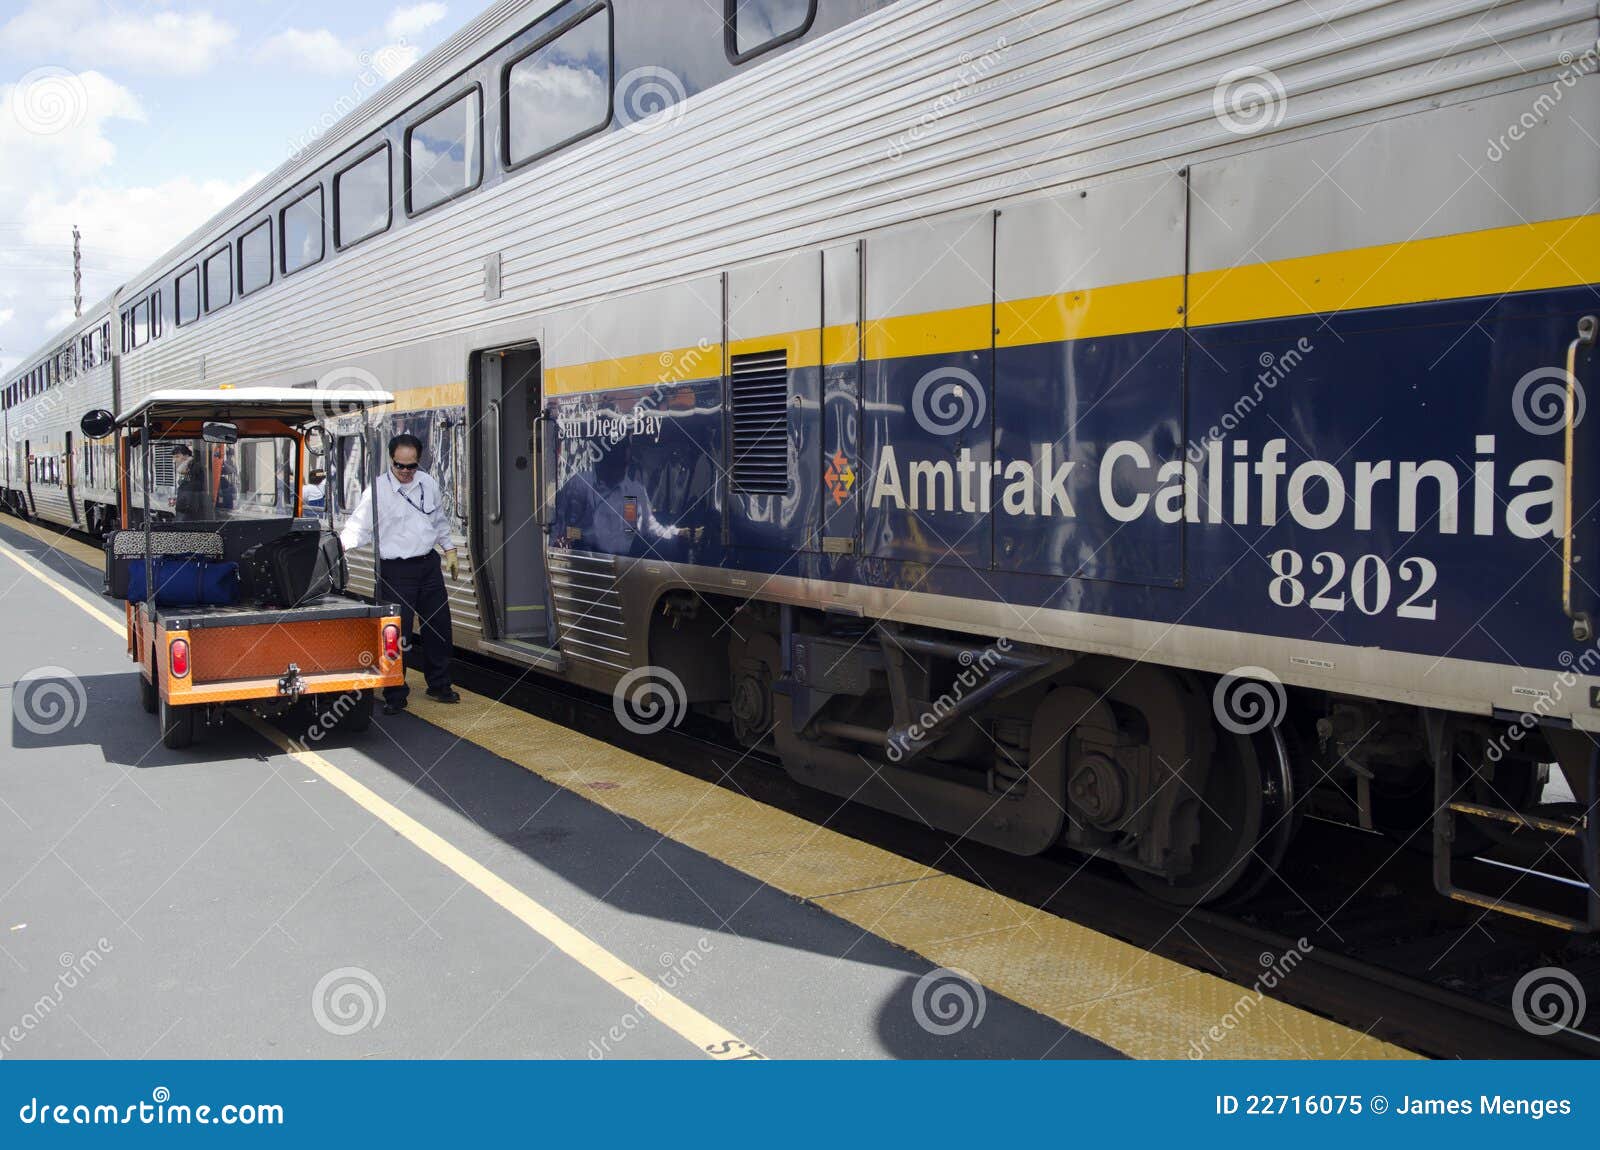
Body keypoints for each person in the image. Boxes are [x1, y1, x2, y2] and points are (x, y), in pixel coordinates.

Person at [339, 433, 461, 714]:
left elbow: (439, 520)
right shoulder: (377, 491)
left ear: (418, 462)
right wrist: (340, 547)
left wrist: (449, 549)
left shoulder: (427, 483)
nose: (406, 472)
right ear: (391, 461)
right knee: (394, 634)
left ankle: (440, 684)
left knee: (438, 628)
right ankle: (395, 691)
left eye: (411, 466)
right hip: (394, 570)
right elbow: (359, 527)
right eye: (400, 466)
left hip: (428, 566)